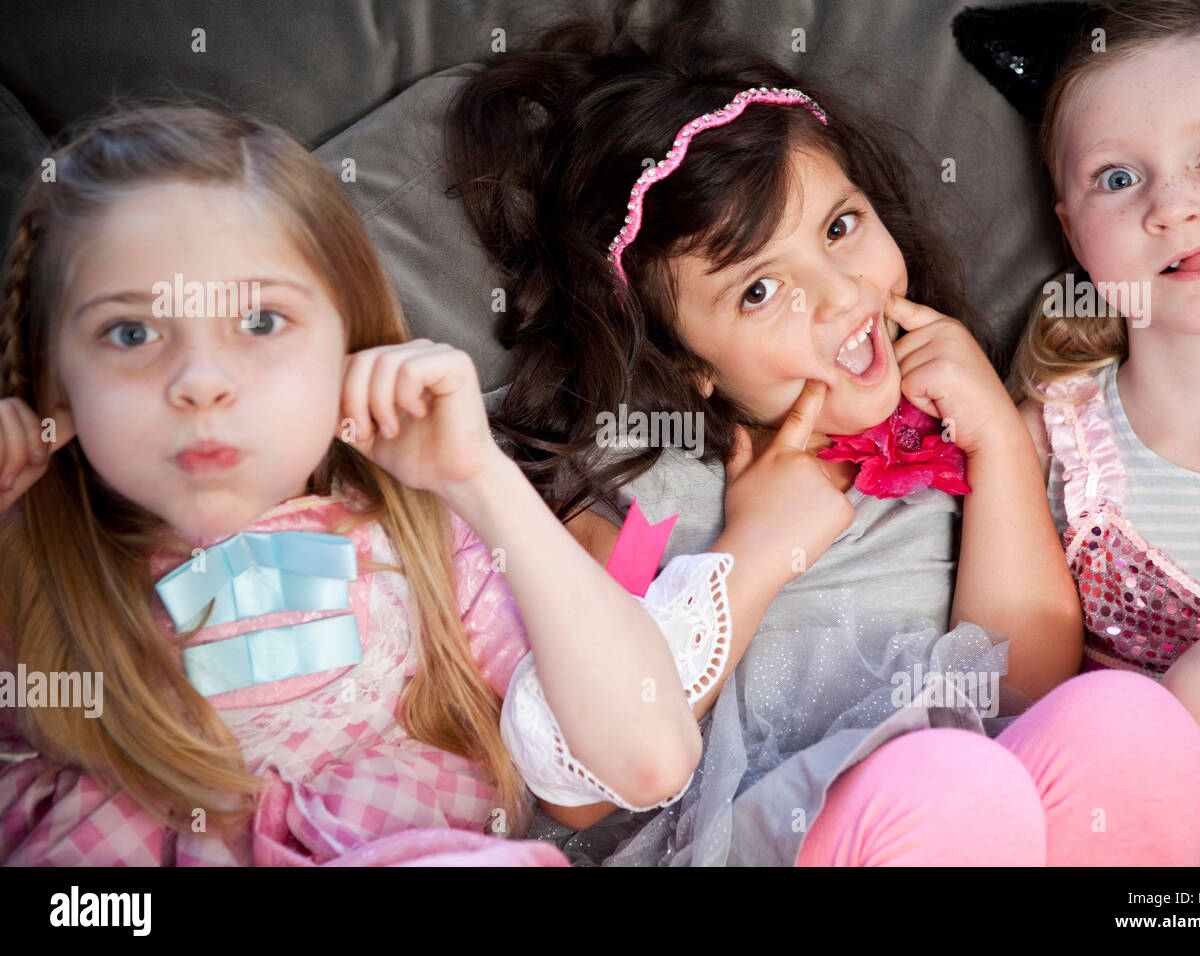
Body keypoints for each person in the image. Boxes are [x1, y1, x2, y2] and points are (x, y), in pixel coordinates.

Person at [443, 1, 1200, 866]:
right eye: (759, 291)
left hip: (973, 815)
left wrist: (997, 445)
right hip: (763, 839)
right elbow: (572, 786)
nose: (843, 293)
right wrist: (757, 548)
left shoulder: (949, 435)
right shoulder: (641, 486)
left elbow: (1022, 693)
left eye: (841, 228)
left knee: (1131, 720)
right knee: (950, 783)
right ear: (683, 358)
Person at [0, 104, 722, 865]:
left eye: (260, 321)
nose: (201, 383)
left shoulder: (425, 535)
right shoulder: (26, 572)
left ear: (348, 339)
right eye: (132, 333)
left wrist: (483, 482)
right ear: (53, 383)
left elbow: (648, 759)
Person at [1005, 0, 1200, 864]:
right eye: (1118, 178)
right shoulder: (1053, 440)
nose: (1173, 206)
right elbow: (1008, 694)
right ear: (1070, 231)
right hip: (1137, 839)